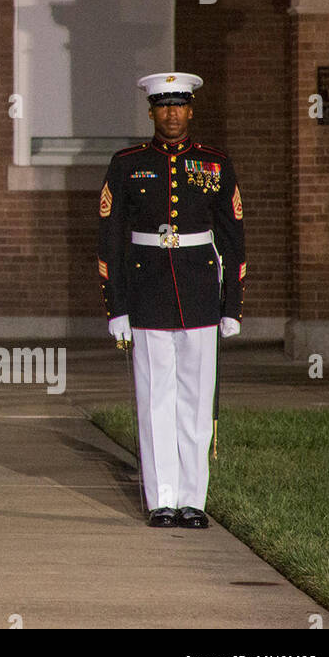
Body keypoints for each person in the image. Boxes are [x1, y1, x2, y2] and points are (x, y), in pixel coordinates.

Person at [98, 72, 245, 530]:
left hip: (201, 292)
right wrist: (116, 306)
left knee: (196, 401)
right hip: (147, 291)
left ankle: (192, 499)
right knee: (155, 397)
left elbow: (234, 239)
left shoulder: (216, 164)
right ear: (151, 111)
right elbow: (110, 241)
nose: (172, 114)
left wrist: (231, 305)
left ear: (191, 109)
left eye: (179, 105)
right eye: (163, 106)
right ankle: (161, 499)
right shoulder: (126, 164)